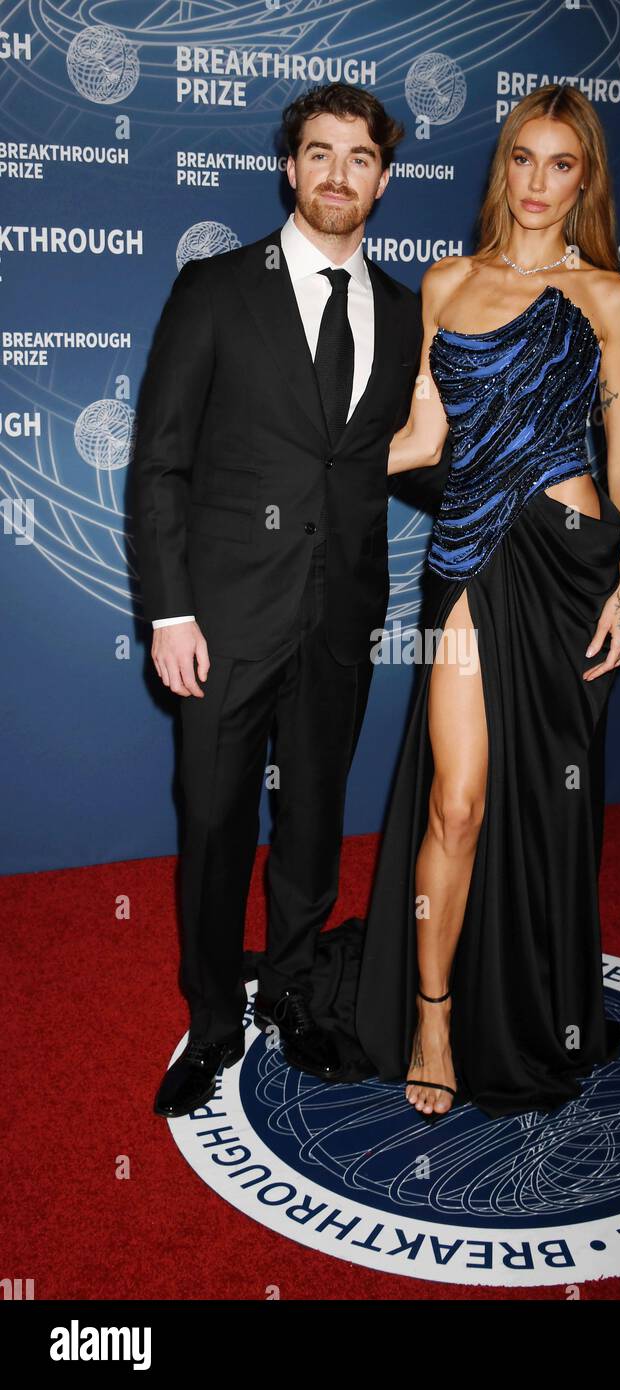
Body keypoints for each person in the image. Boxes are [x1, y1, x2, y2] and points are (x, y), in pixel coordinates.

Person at [313, 83, 620, 1121]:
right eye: (524, 160)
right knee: (455, 802)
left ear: (584, 180)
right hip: (465, 560)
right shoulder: (446, 283)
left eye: (563, 165)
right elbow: (422, 438)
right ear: (500, 167)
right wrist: (314, 470)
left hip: (571, 567)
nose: (539, 183)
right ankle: (434, 1015)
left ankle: (538, 999)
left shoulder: (611, 298)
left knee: (547, 804)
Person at [131, 83, 428, 1118]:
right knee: (213, 822)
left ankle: (295, 991)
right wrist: (169, 611)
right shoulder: (216, 289)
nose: (339, 173)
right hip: (220, 623)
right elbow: (160, 462)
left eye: (360, 157)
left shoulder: (402, 312)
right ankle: (213, 1020)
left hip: (340, 619)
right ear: (289, 168)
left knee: (310, 824)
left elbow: (403, 463)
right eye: (319, 153)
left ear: (383, 179)